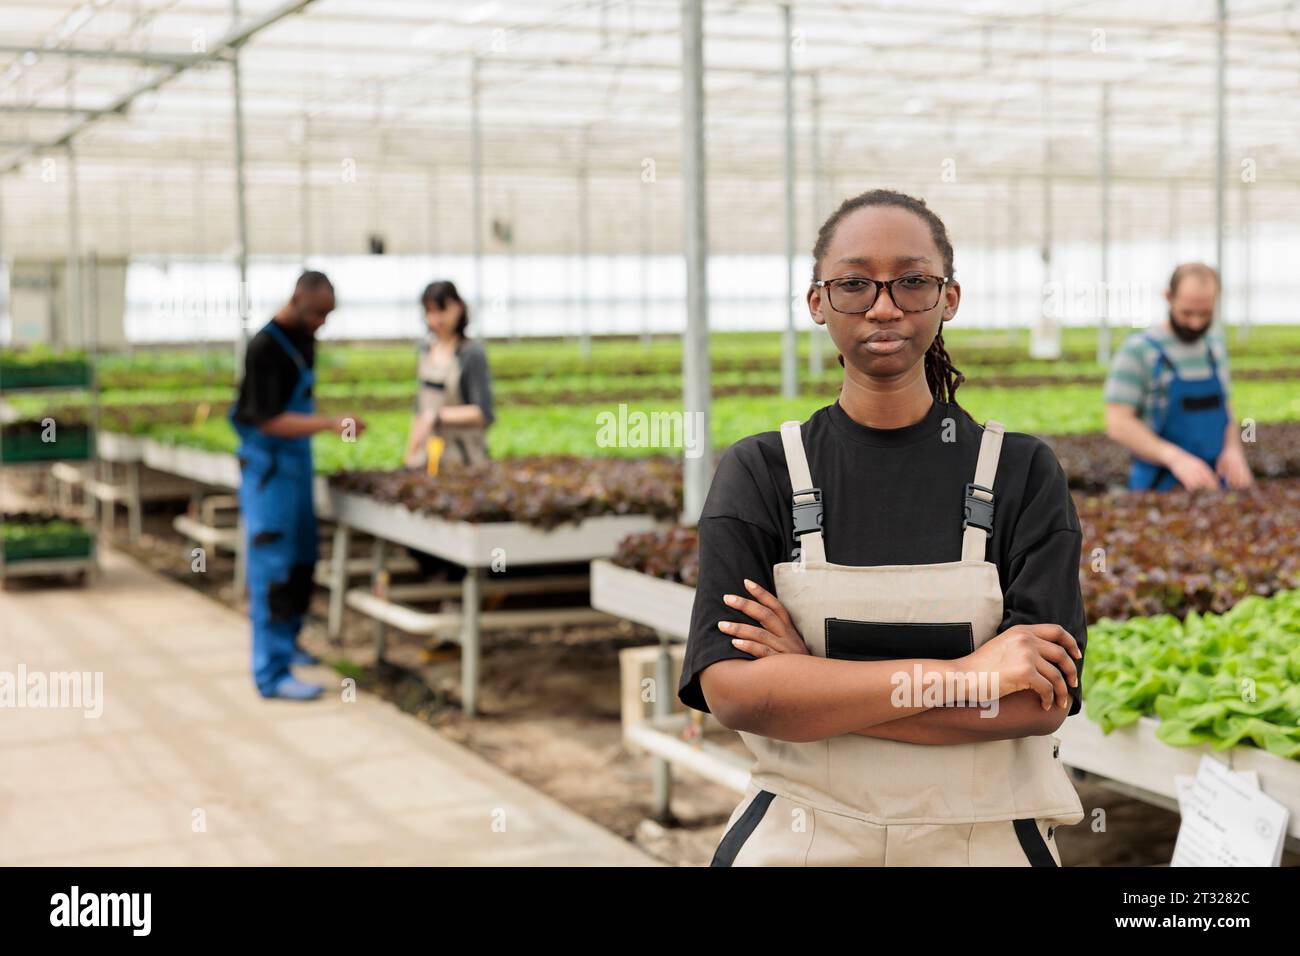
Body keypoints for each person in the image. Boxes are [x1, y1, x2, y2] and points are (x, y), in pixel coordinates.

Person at [678, 189, 1086, 867]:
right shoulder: (762, 472)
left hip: (985, 841)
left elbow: (1041, 702)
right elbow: (736, 692)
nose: (884, 303)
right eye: (854, 283)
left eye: (913, 280)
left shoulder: (1021, 472)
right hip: (802, 838)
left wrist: (808, 681)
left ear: (948, 297)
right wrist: (970, 680)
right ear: (817, 302)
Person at [229, 271, 366, 701]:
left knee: (303, 557)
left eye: (327, 315)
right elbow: (268, 418)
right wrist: (329, 424)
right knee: (273, 565)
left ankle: (288, 645)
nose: (321, 322)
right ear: (297, 298)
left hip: (296, 464)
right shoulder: (265, 347)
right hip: (269, 468)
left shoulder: (305, 340)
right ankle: (270, 673)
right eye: (317, 313)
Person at [1104, 262, 1253, 491]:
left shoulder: (1214, 349)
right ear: (1169, 297)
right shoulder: (1138, 350)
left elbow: (1228, 412)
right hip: (1159, 485)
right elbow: (1117, 423)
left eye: (1205, 313)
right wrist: (1174, 457)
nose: (1196, 322)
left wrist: (1234, 450)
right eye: (1187, 313)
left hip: (1215, 482)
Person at [402, 280, 495, 471]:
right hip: (430, 454)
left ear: (459, 308)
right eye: (430, 312)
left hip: (464, 455)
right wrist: (410, 453)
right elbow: (419, 410)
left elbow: (483, 413)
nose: (435, 319)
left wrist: (436, 416)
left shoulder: (471, 354)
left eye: (441, 310)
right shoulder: (425, 350)